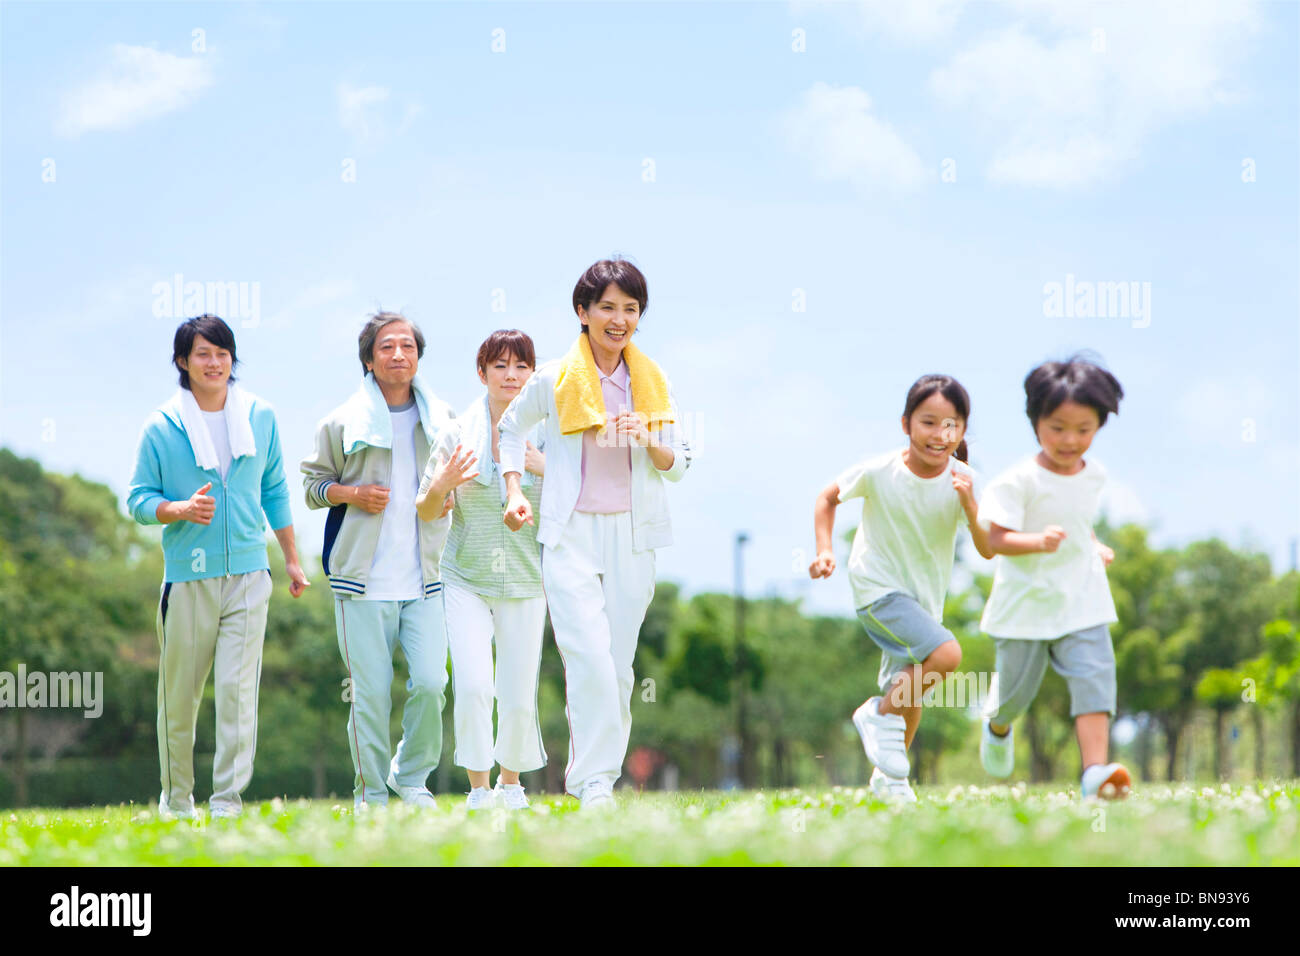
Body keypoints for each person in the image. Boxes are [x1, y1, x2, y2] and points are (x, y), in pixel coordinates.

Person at [498, 257, 692, 810]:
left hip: (634, 535)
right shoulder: (555, 377)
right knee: (587, 657)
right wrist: (514, 490)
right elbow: (510, 430)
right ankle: (594, 784)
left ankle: (598, 776)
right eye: (607, 307)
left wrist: (648, 440)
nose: (619, 319)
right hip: (570, 533)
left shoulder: (652, 382)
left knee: (619, 667)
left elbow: (679, 463)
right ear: (583, 312)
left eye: (630, 309)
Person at [128, 314, 310, 821]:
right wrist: (179, 509)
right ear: (183, 362)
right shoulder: (161, 426)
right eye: (203, 354)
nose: (214, 363)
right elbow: (138, 500)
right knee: (180, 699)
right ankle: (177, 801)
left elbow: (274, 489)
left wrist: (291, 559)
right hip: (189, 579)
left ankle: (228, 803)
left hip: (251, 575)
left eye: (223, 353)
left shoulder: (261, 416)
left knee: (237, 694)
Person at [301, 312, 471, 810]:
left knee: (433, 683)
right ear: (369, 360)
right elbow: (313, 489)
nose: (399, 355)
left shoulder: (445, 421)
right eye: (387, 347)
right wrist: (351, 493)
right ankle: (371, 794)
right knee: (369, 700)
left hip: (426, 578)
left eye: (408, 347)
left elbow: (460, 482)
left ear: (418, 356)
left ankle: (409, 775)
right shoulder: (338, 423)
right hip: (361, 583)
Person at [809, 374, 993, 802]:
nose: (939, 434)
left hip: (923, 602)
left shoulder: (965, 481)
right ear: (906, 423)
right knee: (945, 655)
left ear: (962, 431)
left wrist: (969, 503)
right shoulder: (880, 471)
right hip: (877, 589)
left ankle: (889, 783)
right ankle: (875, 713)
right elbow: (827, 497)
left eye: (951, 425)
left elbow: (986, 549)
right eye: (928, 422)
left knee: (910, 693)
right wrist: (824, 550)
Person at [976, 354, 1130, 799]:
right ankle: (999, 725)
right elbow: (994, 540)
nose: (1070, 440)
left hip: (1083, 597)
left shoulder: (1094, 474)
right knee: (1015, 694)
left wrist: (1091, 544)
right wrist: (1037, 540)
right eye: (1058, 428)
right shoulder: (1016, 481)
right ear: (1035, 422)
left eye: (1084, 429)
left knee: (1095, 678)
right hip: (1025, 603)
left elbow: (1077, 520)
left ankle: (1094, 774)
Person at [416, 330, 547, 812]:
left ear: (533, 374)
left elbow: (577, 498)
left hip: (529, 578)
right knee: (473, 685)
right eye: (500, 366)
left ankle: (510, 784)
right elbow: (426, 510)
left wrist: (543, 466)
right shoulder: (455, 433)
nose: (511, 376)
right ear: (482, 373)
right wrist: (443, 484)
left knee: (517, 689)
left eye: (521, 367)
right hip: (465, 578)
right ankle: (477, 787)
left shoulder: (547, 429)